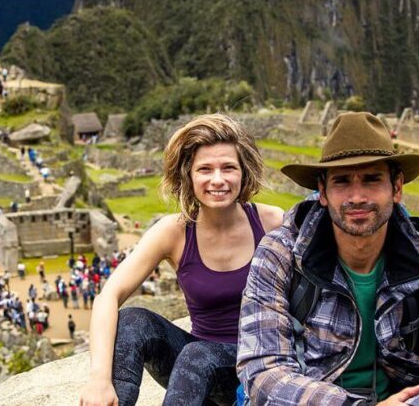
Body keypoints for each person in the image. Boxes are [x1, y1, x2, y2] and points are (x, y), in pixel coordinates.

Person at [237, 112, 419, 405]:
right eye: (342, 182)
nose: (357, 196)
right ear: (322, 192)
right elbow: (263, 371)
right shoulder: (281, 254)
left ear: (396, 188)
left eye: (372, 179)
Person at [79, 114, 284, 406]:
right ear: (188, 175)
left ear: (243, 172)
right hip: (199, 372)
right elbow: (109, 295)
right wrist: (99, 378)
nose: (218, 179)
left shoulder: (273, 223)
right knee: (133, 321)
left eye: (228, 167)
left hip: (260, 366)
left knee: (198, 356)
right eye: (205, 169)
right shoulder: (174, 232)